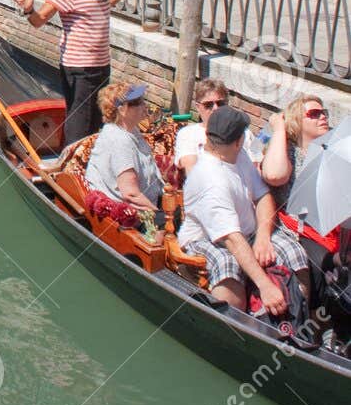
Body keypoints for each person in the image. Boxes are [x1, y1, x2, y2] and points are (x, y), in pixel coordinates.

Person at [178, 105, 309, 317]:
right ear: (238, 141)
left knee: (293, 252)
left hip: (247, 233)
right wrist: (265, 285)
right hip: (207, 238)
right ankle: (233, 326)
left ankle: (300, 319)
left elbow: (264, 196)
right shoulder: (210, 181)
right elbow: (231, 239)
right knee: (228, 266)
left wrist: (263, 238)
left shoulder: (239, 156)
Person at [11, 0, 133, 145]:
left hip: (102, 65)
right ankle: (71, 169)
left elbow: (102, 5)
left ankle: (89, 163)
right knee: (79, 122)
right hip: (79, 68)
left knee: (97, 120)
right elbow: (39, 21)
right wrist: (29, 9)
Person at [84, 82, 164, 221]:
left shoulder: (131, 130)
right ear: (121, 110)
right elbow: (130, 193)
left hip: (152, 203)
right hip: (134, 217)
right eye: (138, 102)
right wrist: (160, 218)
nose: (144, 105)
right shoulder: (119, 141)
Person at [261, 94, 332, 211]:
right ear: (296, 120)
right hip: (291, 227)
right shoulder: (288, 151)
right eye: (314, 113)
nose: (323, 116)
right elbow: (274, 176)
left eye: (324, 112)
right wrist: (279, 129)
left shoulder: (328, 152)